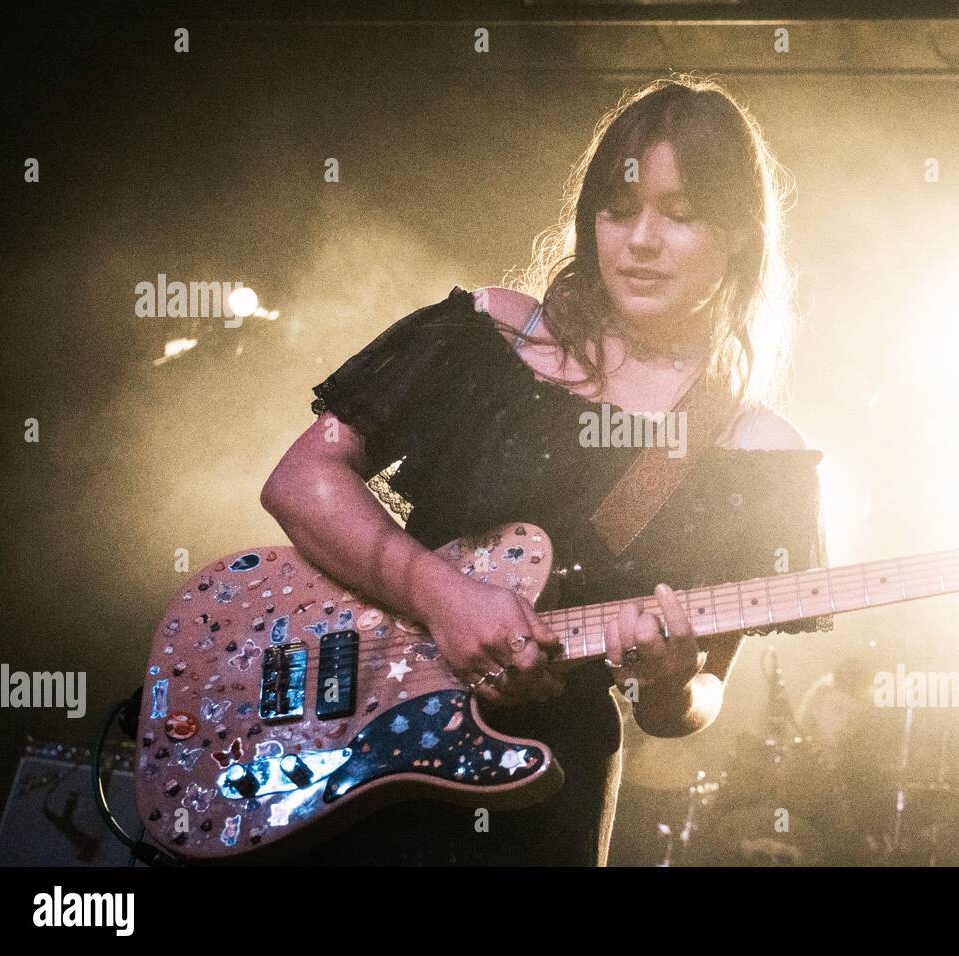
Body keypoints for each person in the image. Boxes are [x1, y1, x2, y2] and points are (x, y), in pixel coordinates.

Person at [259, 73, 833, 866]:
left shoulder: (752, 448)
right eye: (618, 208)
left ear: (737, 234)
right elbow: (300, 481)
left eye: (681, 215)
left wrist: (670, 680)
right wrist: (443, 596)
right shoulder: (489, 336)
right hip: (356, 732)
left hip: (541, 789)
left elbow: (701, 697)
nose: (640, 239)